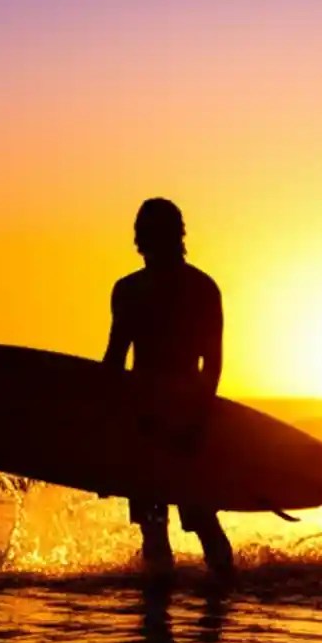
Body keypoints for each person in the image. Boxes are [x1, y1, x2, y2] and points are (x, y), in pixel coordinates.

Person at [103, 198, 235, 579]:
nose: (143, 243)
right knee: (158, 526)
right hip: (150, 420)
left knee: (195, 518)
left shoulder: (198, 288)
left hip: (178, 417)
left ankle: (203, 601)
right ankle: (178, 608)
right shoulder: (131, 290)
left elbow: (212, 364)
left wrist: (196, 423)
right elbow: (115, 360)